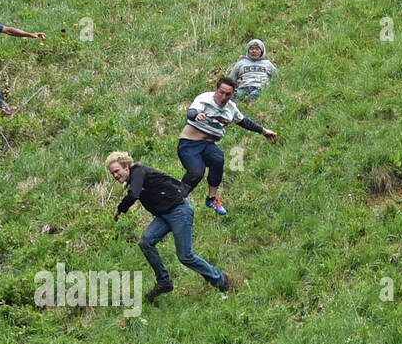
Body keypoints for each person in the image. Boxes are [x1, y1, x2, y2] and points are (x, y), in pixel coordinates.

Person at [106, 150, 235, 302]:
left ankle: (222, 280)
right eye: (112, 173)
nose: (115, 176)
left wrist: (120, 209)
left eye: (116, 171)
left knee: (185, 256)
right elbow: (157, 198)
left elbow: (133, 195)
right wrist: (162, 230)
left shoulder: (138, 172)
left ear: (126, 167)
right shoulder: (137, 179)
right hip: (165, 215)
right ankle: (164, 282)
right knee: (146, 243)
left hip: (179, 211)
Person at [177, 76, 279, 215]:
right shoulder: (204, 99)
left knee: (218, 158)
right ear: (216, 90)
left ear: (232, 94)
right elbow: (191, 112)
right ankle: (177, 197)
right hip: (189, 144)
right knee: (197, 172)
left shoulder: (231, 108)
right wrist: (196, 115)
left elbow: (244, 122)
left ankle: (212, 198)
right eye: (221, 92)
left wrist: (264, 131)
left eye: (228, 94)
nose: (223, 97)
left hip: (207, 144)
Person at [229, 38, 277, 103]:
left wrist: (270, 85)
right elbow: (231, 79)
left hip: (260, 88)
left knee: (255, 94)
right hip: (244, 87)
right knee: (234, 96)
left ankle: (249, 102)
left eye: (257, 49)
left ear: (261, 51)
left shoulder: (267, 63)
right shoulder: (241, 63)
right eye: (251, 49)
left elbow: (278, 78)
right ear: (248, 51)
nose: (254, 51)